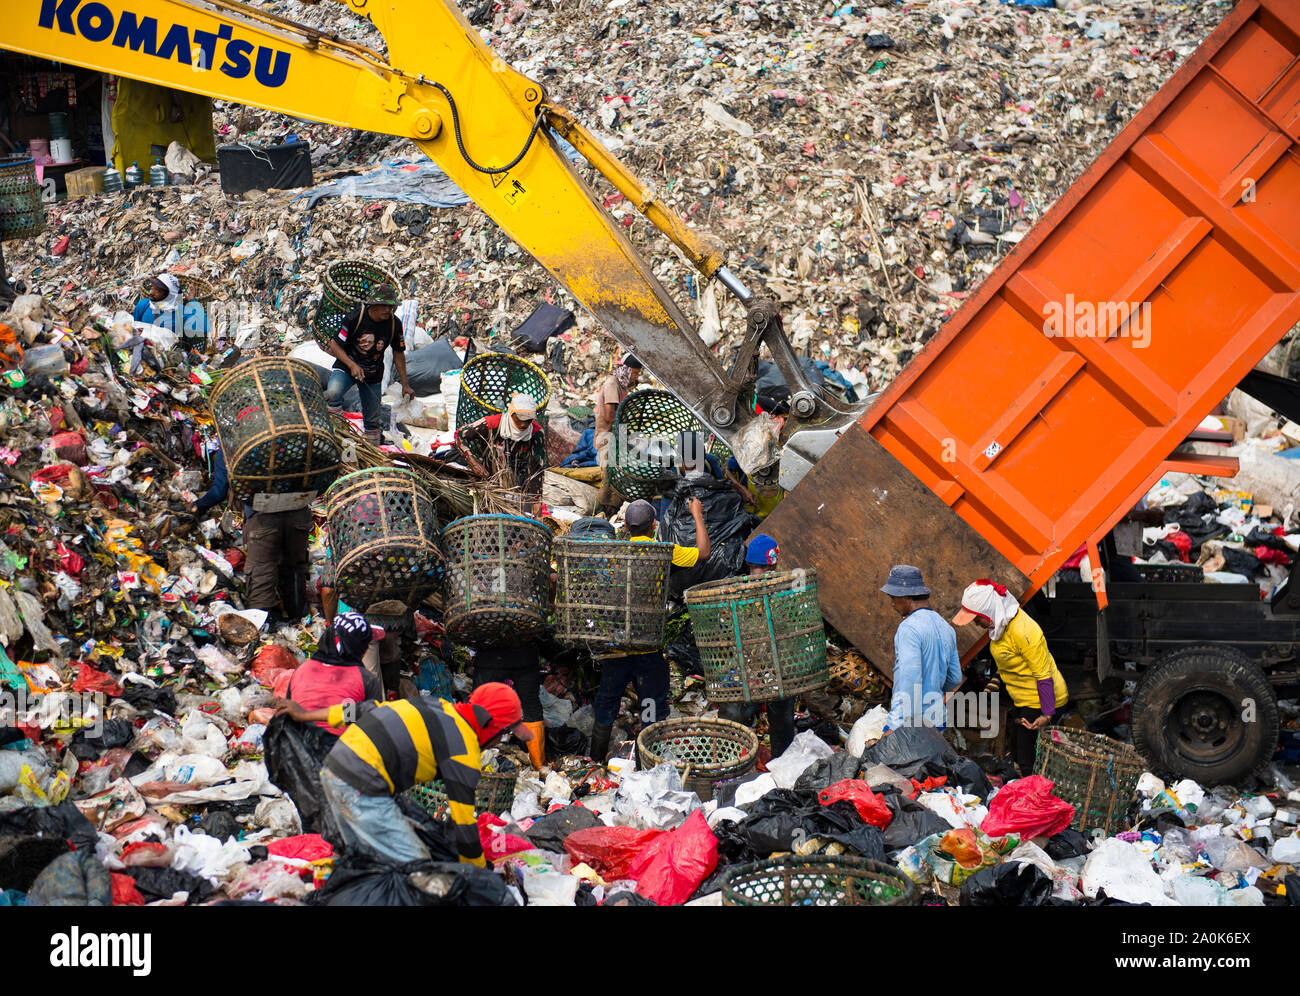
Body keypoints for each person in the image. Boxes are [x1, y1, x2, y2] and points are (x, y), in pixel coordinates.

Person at [275, 682, 533, 867]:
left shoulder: (436, 704)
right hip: (360, 787)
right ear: (491, 726)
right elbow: (464, 825)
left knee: (363, 862)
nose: (499, 741)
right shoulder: (463, 749)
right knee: (419, 868)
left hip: (334, 770)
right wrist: (481, 874)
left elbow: (365, 709)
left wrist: (307, 714)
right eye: (504, 733)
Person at [588, 497, 711, 761]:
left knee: (607, 701)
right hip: (648, 647)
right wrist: (697, 514)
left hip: (617, 647)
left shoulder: (614, 555)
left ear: (626, 527)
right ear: (654, 525)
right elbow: (703, 552)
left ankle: (595, 761)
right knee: (650, 705)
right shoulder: (663, 551)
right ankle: (648, 764)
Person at [187, 433, 310, 622]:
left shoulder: (231, 446)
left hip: (264, 517)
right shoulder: (289, 440)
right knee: (294, 567)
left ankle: (264, 630)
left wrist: (197, 507)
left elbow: (219, 491)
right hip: (299, 511)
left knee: (261, 570)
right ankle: (298, 620)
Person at [951, 579, 1069, 774]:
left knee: (1026, 760)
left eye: (977, 619)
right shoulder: (1000, 626)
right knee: (1016, 751)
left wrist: (1047, 715)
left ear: (989, 612)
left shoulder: (1024, 632)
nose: (977, 624)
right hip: (1024, 698)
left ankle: (1031, 798)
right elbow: (1009, 659)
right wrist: (995, 681)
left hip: (1042, 700)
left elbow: (1043, 675)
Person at [716, 534, 797, 757]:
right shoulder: (739, 594)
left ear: (774, 565)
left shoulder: (787, 592)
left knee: (782, 717)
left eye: (763, 569)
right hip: (746, 668)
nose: (758, 574)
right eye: (754, 569)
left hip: (777, 670)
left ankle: (781, 763)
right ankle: (727, 760)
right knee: (732, 713)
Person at [324, 282, 414, 444]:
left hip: (373, 373)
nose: (388, 310)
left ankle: (373, 452)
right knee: (333, 393)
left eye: (391, 306)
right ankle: (337, 435)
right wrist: (352, 365)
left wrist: (405, 384)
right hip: (347, 366)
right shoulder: (354, 318)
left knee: (373, 419)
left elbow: (398, 353)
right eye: (383, 306)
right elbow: (335, 345)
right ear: (372, 305)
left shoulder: (394, 324)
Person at [880, 565, 962, 734]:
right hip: (938, 721)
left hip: (914, 728)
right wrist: (933, 688)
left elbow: (909, 680)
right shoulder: (945, 627)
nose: (892, 604)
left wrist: (894, 726)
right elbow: (955, 678)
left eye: (893, 597)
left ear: (905, 596)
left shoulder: (909, 628)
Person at [286, 612, 386, 734]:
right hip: (343, 749)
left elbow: (289, 713)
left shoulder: (301, 670)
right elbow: (373, 726)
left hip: (299, 746)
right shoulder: (366, 679)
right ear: (362, 651)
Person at [456, 392, 548, 516]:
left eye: (528, 420)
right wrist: (473, 462)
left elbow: (537, 468)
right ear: (511, 413)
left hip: (517, 482)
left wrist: (536, 502)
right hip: (489, 478)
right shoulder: (493, 423)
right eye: (519, 418)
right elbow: (460, 434)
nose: (523, 424)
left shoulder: (536, 432)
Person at [471, 643, 546, 771]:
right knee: (531, 707)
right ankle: (539, 765)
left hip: (489, 658)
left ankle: (473, 759)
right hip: (524, 658)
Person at [594, 355, 642, 513]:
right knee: (614, 470)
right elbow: (609, 416)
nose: (636, 377)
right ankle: (605, 507)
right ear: (626, 370)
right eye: (634, 373)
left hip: (619, 435)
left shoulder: (623, 384)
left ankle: (619, 505)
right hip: (606, 437)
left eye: (637, 373)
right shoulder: (612, 384)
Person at [133, 273, 208, 348]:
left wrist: (192, 301)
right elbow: (134, 326)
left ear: (169, 295)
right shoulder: (144, 304)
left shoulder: (181, 312)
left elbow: (203, 327)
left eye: (158, 291)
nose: (151, 292)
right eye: (153, 288)